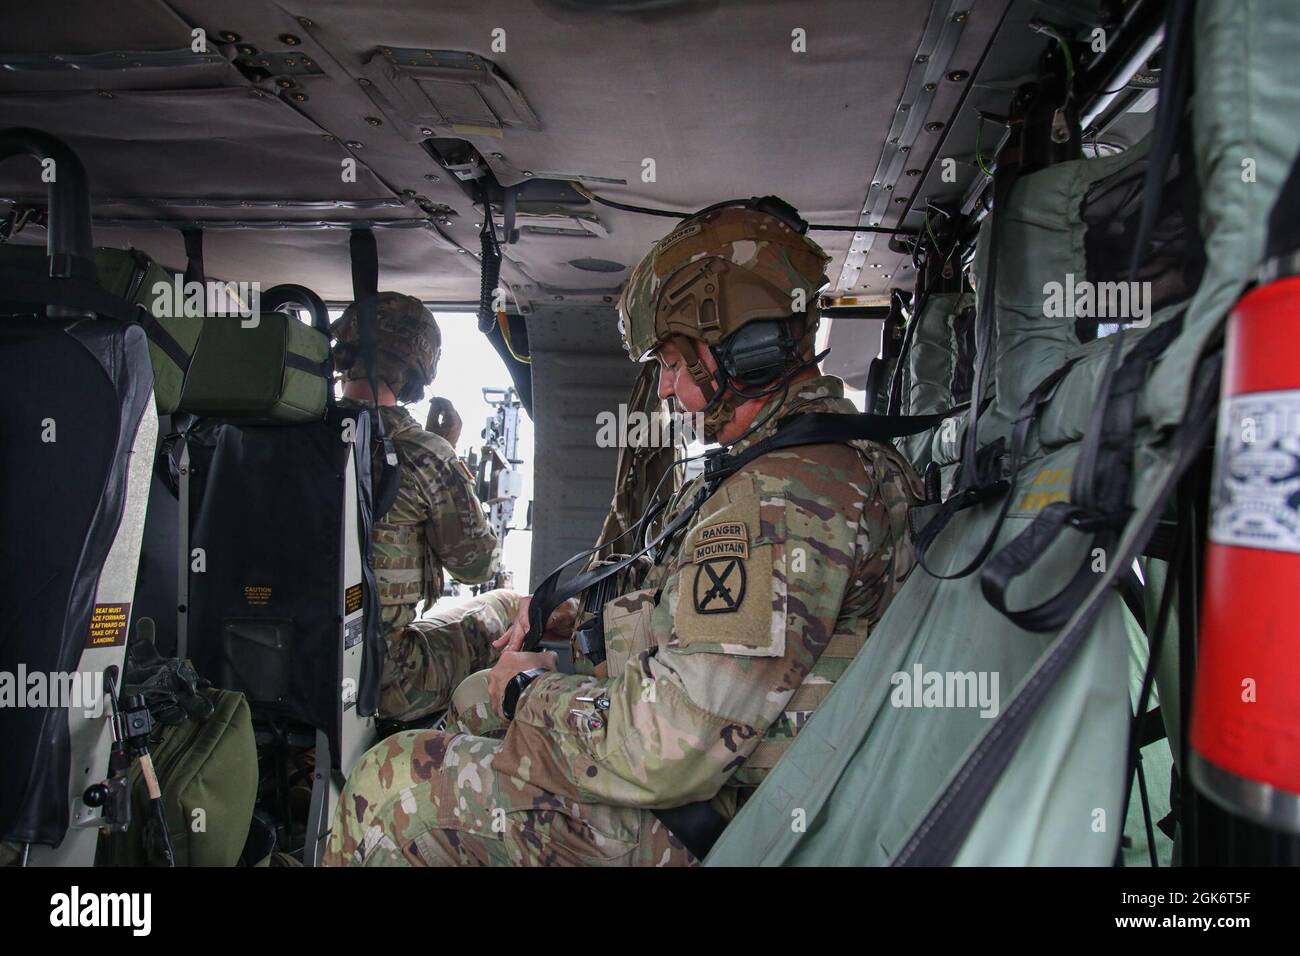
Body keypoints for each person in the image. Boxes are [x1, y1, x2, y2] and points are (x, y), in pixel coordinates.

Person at [323, 203, 923, 866]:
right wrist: (581, 625)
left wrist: (527, 692)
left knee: (391, 781)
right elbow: (718, 637)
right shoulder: (828, 461)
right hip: (746, 784)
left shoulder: (777, 500)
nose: (666, 388)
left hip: (727, 824)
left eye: (672, 362)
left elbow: (667, 751)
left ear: (739, 346)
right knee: (473, 698)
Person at [331, 292, 509, 722]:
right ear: (416, 374)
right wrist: (444, 453)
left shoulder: (289, 431)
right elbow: (477, 566)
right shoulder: (424, 452)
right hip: (384, 675)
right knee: (504, 607)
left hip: (274, 658)